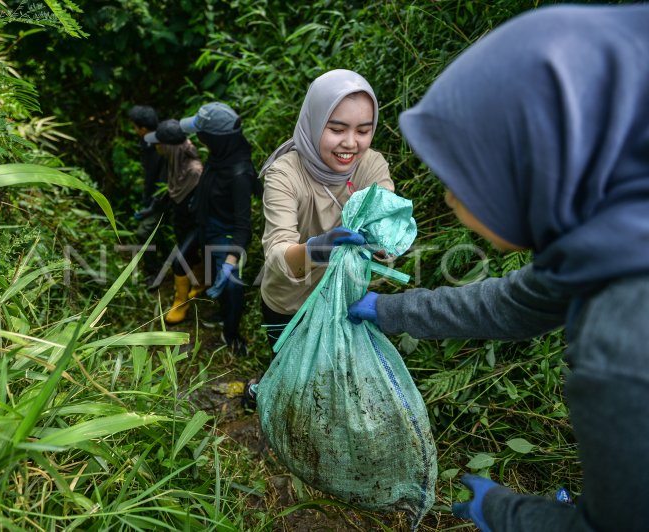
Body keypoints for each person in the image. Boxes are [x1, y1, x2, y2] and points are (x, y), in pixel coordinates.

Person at [348, 4, 649, 531]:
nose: (446, 198)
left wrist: (506, 513)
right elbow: (516, 304)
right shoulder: (615, 242)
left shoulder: (621, 342)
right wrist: (390, 309)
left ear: (534, 172)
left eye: (463, 177)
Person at [259, 69, 395, 348]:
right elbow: (276, 252)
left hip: (344, 299)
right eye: (336, 129)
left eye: (363, 130)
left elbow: (385, 218)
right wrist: (318, 249)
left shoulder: (371, 165)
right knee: (288, 378)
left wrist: (385, 239)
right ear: (314, 122)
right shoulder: (285, 174)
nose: (350, 143)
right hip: (289, 304)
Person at [178, 102, 256, 356]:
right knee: (212, 274)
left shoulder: (239, 173)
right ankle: (220, 313)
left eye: (202, 133)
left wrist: (231, 260)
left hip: (226, 235)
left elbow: (245, 225)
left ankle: (232, 334)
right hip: (207, 227)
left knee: (232, 282)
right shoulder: (220, 155)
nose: (198, 137)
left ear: (214, 138)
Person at [144, 119, 205, 324]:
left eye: (159, 143)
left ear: (169, 146)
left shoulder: (195, 170)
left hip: (197, 224)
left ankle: (181, 304)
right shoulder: (173, 161)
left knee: (179, 261)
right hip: (181, 221)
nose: (156, 146)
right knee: (191, 256)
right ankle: (202, 283)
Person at [126, 105, 168, 287]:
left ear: (143, 128)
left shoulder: (161, 146)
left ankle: (156, 273)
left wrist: (152, 206)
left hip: (164, 199)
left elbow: (164, 180)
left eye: (135, 127)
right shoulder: (147, 142)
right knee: (158, 233)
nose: (134, 131)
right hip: (153, 197)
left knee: (144, 233)